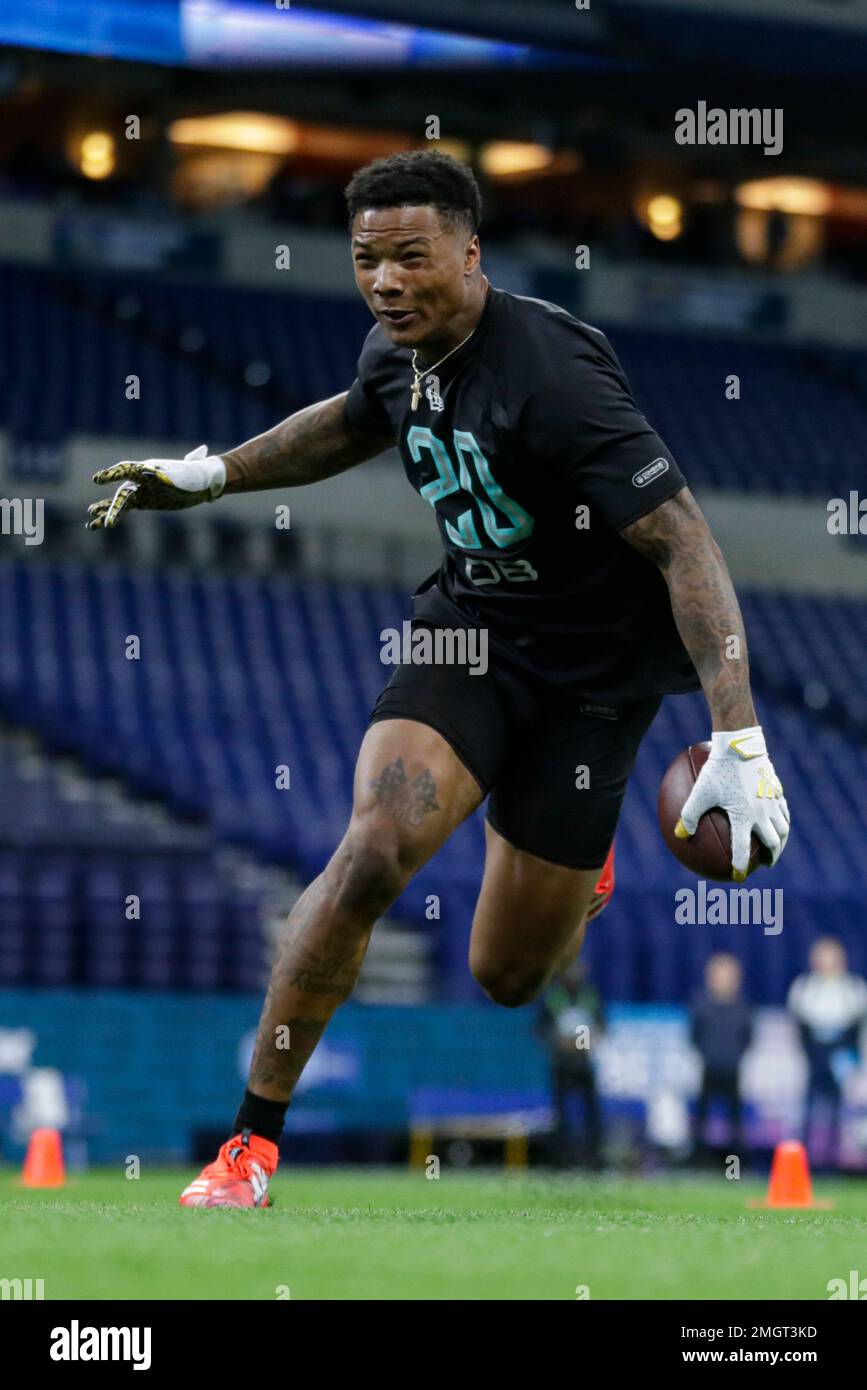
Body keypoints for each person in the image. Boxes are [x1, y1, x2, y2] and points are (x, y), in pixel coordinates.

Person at [86, 150, 791, 1208]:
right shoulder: (397, 350)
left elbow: (684, 540)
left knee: (508, 976)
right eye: (368, 259)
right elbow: (348, 417)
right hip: (469, 637)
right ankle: (250, 1149)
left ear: (471, 253)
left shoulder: (551, 371)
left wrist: (738, 738)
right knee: (371, 849)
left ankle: (578, 881)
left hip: (594, 681)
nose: (386, 282)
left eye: (411, 257)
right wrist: (215, 472)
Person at [787, 938, 867, 1163]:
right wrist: (810, 1053)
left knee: (836, 1107)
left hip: (840, 1051)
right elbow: (801, 1026)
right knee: (810, 1107)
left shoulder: (853, 987)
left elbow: (856, 1027)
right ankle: (803, 1158)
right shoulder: (805, 987)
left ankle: (831, 1158)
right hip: (815, 1052)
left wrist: (851, 1057)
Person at [536, 958, 606, 1168]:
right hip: (562, 1063)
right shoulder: (553, 997)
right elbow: (541, 1029)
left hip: (583, 1063)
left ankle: (593, 1157)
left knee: (591, 1113)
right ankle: (561, 1158)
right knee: (560, 1114)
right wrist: (560, 1042)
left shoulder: (589, 996)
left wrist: (590, 1039)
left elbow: (602, 1025)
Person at [690, 953, 753, 1160]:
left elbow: (747, 1037)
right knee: (703, 1114)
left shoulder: (743, 1007)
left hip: (733, 1068)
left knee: (735, 1118)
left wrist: (735, 1055)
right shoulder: (702, 1005)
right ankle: (699, 1157)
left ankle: (736, 1160)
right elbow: (695, 1035)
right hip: (709, 1067)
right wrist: (707, 1054)